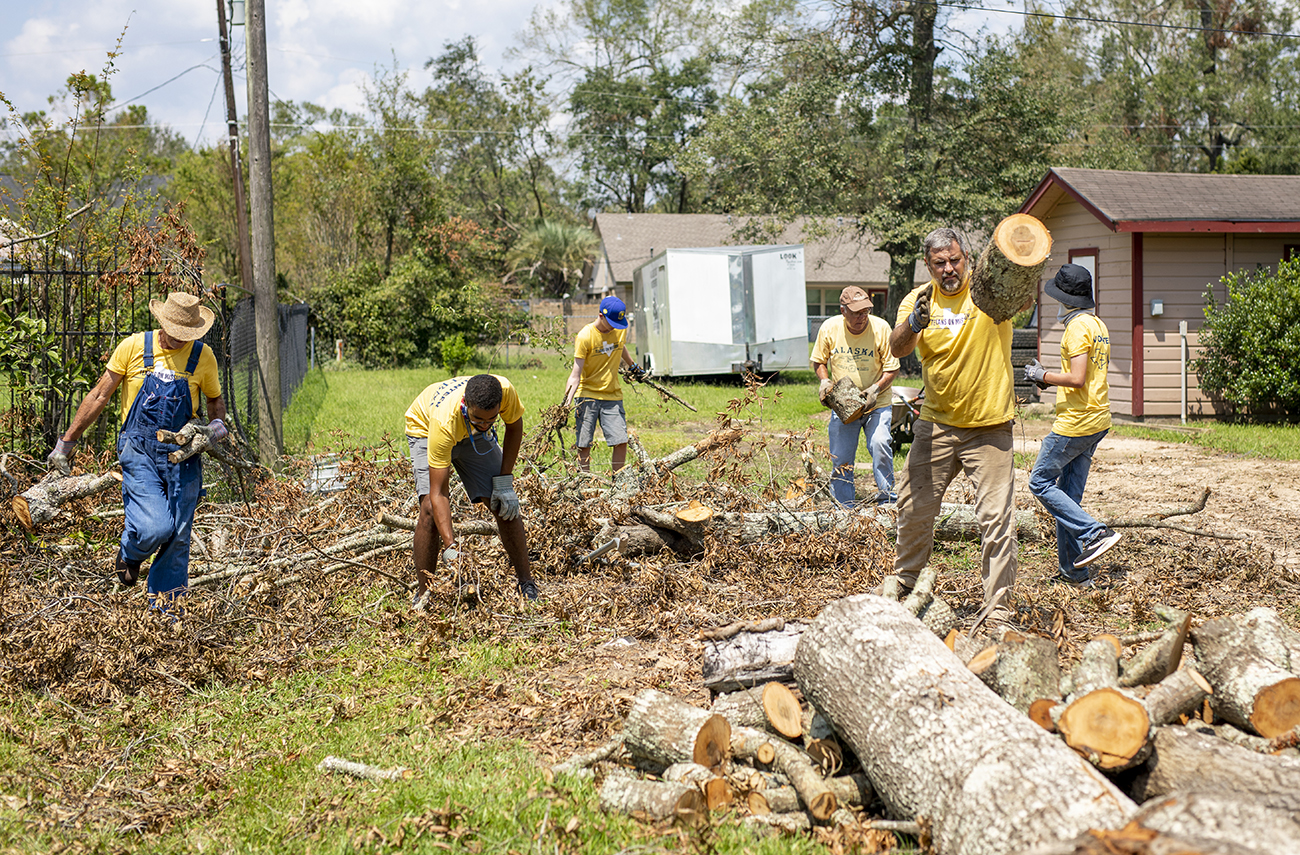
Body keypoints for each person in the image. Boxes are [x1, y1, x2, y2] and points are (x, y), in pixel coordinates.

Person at [47, 292, 227, 603]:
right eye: (178, 332)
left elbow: (214, 401)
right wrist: (67, 441)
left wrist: (216, 428)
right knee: (155, 527)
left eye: (189, 334)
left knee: (179, 536)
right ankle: (130, 552)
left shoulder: (204, 356)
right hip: (139, 450)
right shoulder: (133, 348)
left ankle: (166, 615)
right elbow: (100, 395)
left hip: (183, 454)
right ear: (164, 323)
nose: (183, 340)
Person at [888, 227, 1018, 620]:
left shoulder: (988, 294)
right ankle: (906, 587)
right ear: (928, 265)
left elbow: (1022, 293)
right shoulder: (918, 300)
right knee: (912, 508)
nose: (949, 269)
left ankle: (997, 612)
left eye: (955, 260)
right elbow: (897, 348)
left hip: (990, 426)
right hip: (937, 424)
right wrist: (913, 323)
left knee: (997, 519)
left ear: (968, 259)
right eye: (940, 263)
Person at [1024, 264, 1121, 584]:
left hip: (1076, 423)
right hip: (1097, 419)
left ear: (1065, 298)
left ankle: (1094, 533)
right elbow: (1086, 375)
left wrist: (1042, 376)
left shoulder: (1076, 328)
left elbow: (1077, 378)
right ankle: (1074, 575)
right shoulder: (1097, 324)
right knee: (1067, 498)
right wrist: (1049, 379)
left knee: (1039, 482)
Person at [405, 373, 537, 607]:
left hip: (469, 432)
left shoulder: (504, 391)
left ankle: (526, 582)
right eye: (480, 419)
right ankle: (424, 593)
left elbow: (514, 426)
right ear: (466, 403)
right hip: (426, 429)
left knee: (503, 503)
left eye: (491, 419)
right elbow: (439, 494)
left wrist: (504, 480)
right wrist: (451, 548)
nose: (486, 425)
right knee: (428, 509)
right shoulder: (444, 421)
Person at [811, 285, 900, 506]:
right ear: (843, 311)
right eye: (856, 312)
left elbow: (892, 368)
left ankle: (887, 501)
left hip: (877, 402)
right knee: (841, 457)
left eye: (865, 311)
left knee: (880, 444)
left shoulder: (881, 328)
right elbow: (819, 361)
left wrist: (875, 389)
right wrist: (824, 381)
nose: (862, 317)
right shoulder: (830, 328)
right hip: (844, 406)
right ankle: (844, 508)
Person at [562, 296, 646, 473]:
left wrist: (633, 366)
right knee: (584, 444)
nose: (615, 326)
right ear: (601, 315)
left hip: (612, 395)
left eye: (619, 322)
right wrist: (566, 404)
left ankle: (619, 483)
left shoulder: (619, 329)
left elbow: (620, 345)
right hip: (587, 395)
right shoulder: (585, 336)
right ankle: (585, 484)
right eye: (612, 322)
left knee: (620, 441)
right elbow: (575, 375)